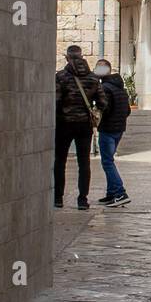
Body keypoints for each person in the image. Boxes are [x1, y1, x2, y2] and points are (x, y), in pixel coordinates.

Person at [54, 45, 106, 210]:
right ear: (81, 56)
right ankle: (82, 199)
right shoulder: (92, 78)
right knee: (84, 162)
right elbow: (103, 102)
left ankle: (58, 198)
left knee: (60, 161)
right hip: (84, 125)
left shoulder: (61, 77)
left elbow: (55, 101)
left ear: (67, 57)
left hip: (64, 124)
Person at [93, 59, 131, 206]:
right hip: (119, 129)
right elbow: (127, 110)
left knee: (107, 162)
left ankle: (120, 192)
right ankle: (111, 193)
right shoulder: (120, 86)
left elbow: (105, 108)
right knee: (109, 160)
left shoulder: (105, 88)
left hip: (108, 129)